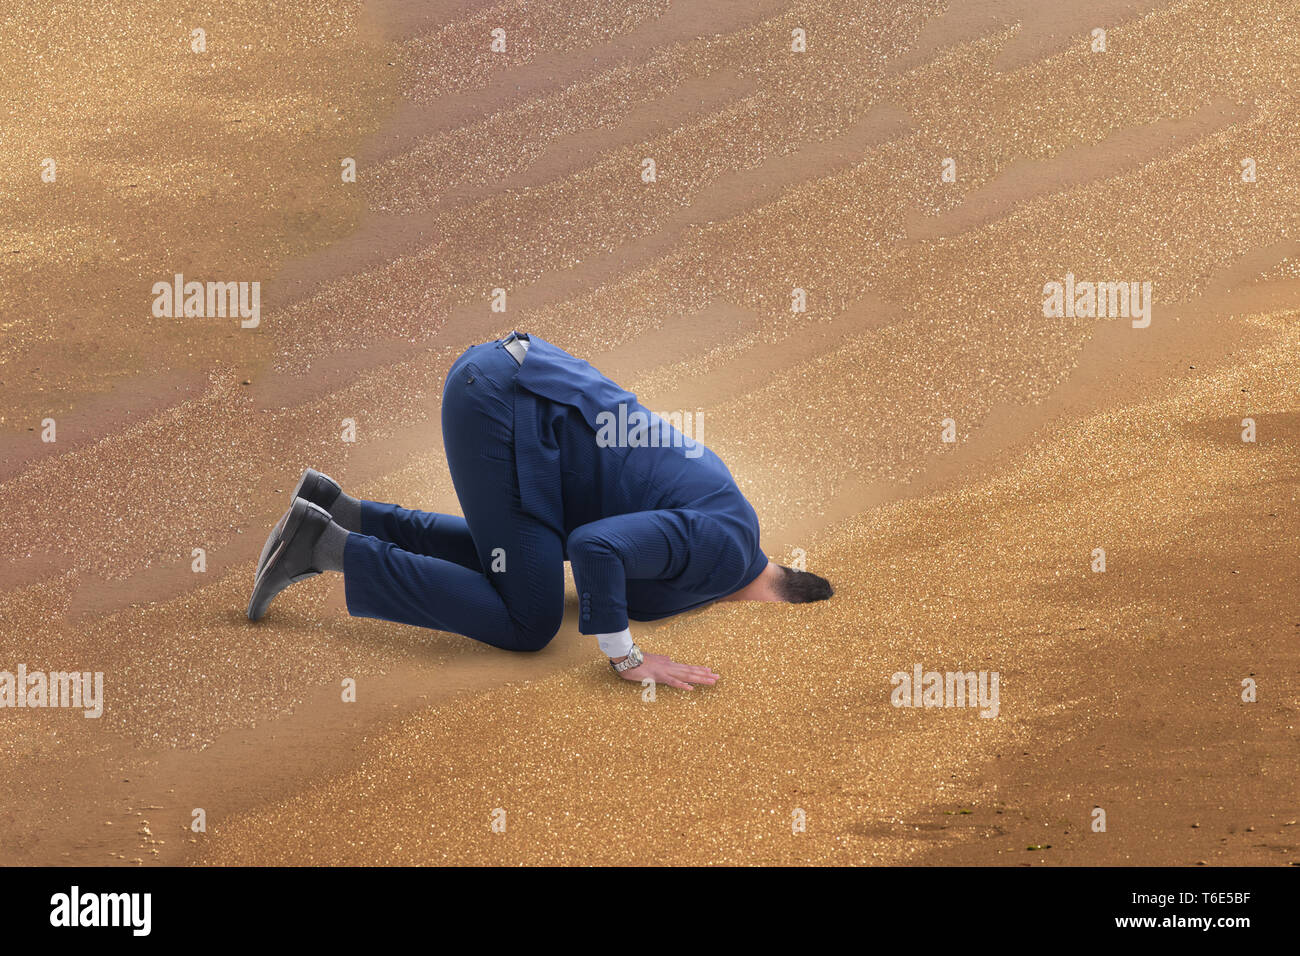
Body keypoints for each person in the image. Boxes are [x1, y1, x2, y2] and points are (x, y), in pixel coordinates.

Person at [248, 332, 832, 689]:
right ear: (777, 607)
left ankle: (344, 512)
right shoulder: (723, 551)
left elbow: (614, 562)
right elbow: (595, 548)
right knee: (530, 621)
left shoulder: (732, 530)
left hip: (514, 382)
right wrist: (624, 657)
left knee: (526, 564)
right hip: (504, 403)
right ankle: (323, 546)